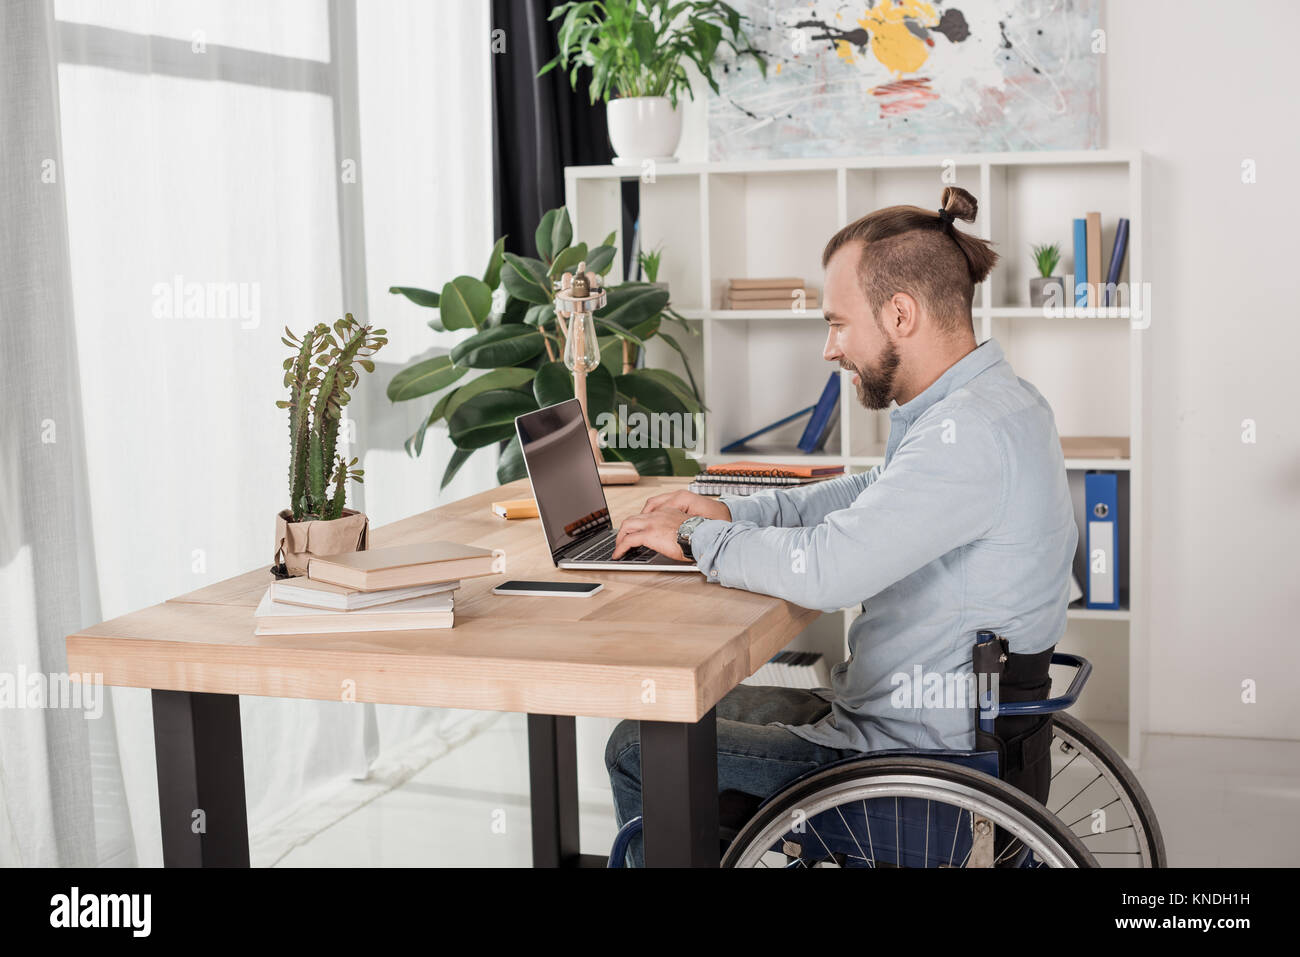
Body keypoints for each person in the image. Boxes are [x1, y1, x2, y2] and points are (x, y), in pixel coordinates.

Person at [607, 186, 1077, 866]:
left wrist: (690, 540)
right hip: (949, 735)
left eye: (837, 322)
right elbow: (872, 497)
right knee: (690, 714)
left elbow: (830, 569)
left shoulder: (964, 433)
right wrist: (732, 512)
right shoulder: (997, 404)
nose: (830, 349)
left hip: (909, 770)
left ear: (901, 313)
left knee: (636, 746)